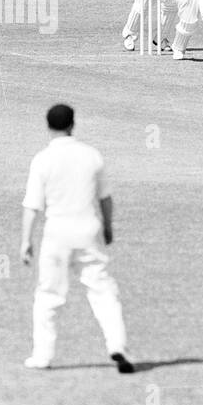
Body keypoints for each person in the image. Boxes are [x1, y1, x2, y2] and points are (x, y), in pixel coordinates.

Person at [19, 103, 133, 374]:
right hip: (88, 229)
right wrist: (108, 227)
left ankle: (42, 356)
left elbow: (32, 205)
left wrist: (26, 240)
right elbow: (105, 198)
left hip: (57, 232)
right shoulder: (91, 155)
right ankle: (117, 345)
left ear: (49, 127)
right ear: (72, 124)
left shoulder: (42, 159)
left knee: (49, 294)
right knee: (103, 289)